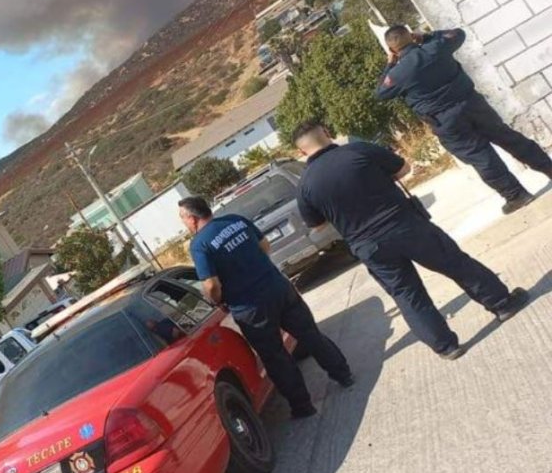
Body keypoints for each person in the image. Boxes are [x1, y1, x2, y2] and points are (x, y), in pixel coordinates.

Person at [291, 121, 529, 360]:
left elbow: (317, 225)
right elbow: (403, 169)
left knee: (407, 295)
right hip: (405, 225)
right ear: (327, 133)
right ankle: (502, 304)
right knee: (455, 264)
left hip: (369, 246)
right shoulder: (359, 150)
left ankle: (446, 347)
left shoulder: (305, 186)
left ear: (302, 151)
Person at [179, 195, 353, 419]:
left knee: (276, 357)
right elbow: (265, 246)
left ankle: (303, 406)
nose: (184, 223)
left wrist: (217, 299)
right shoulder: (236, 220)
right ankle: (343, 374)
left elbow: (211, 285)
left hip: (251, 307)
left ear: (192, 218)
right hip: (278, 288)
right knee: (311, 335)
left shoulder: (200, 244)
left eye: (182, 218)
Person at [375, 25, 552, 214]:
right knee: (509, 138)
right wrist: (426, 36)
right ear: (411, 36)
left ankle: (516, 195)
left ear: (392, 49)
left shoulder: (398, 74)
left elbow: (380, 92)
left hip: (445, 121)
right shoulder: (436, 47)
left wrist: (390, 64)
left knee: (481, 157)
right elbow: (458, 34)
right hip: (473, 104)